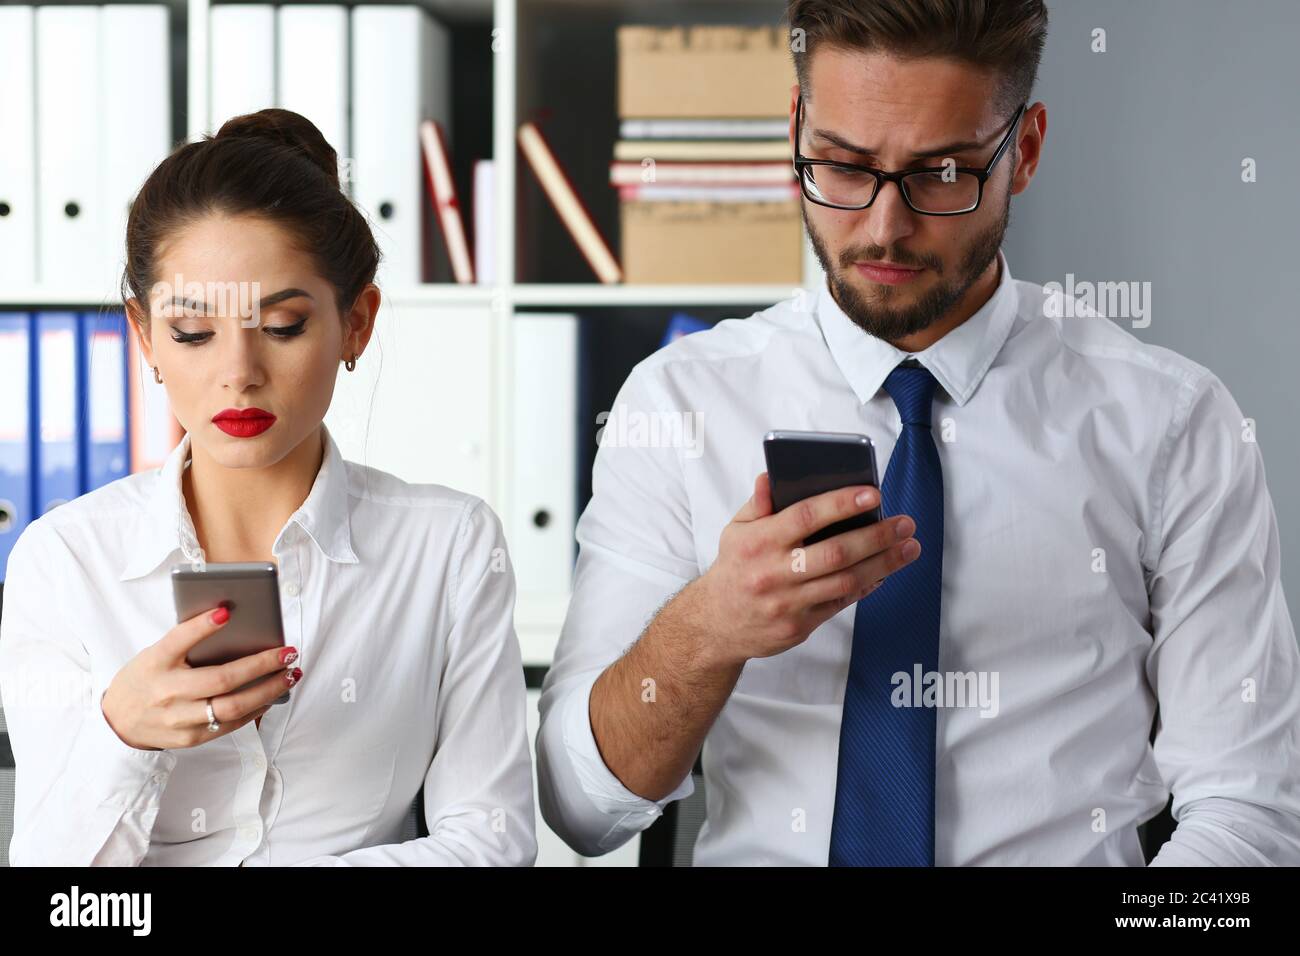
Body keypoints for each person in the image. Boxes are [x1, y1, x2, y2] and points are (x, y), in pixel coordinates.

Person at [536, 0, 1300, 865]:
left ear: (1028, 148)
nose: (884, 226)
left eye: (941, 173)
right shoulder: (678, 404)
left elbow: (1248, 811)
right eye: (845, 165)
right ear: (795, 128)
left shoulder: (1172, 425)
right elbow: (577, 810)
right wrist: (710, 627)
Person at [0, 109, 536, 866]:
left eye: (282, 326)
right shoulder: (65, 560)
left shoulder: (447, 546)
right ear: (146, 336)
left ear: (356, 324)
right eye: (192, 333)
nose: (238, 372)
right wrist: (123, 733)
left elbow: (492, 844)